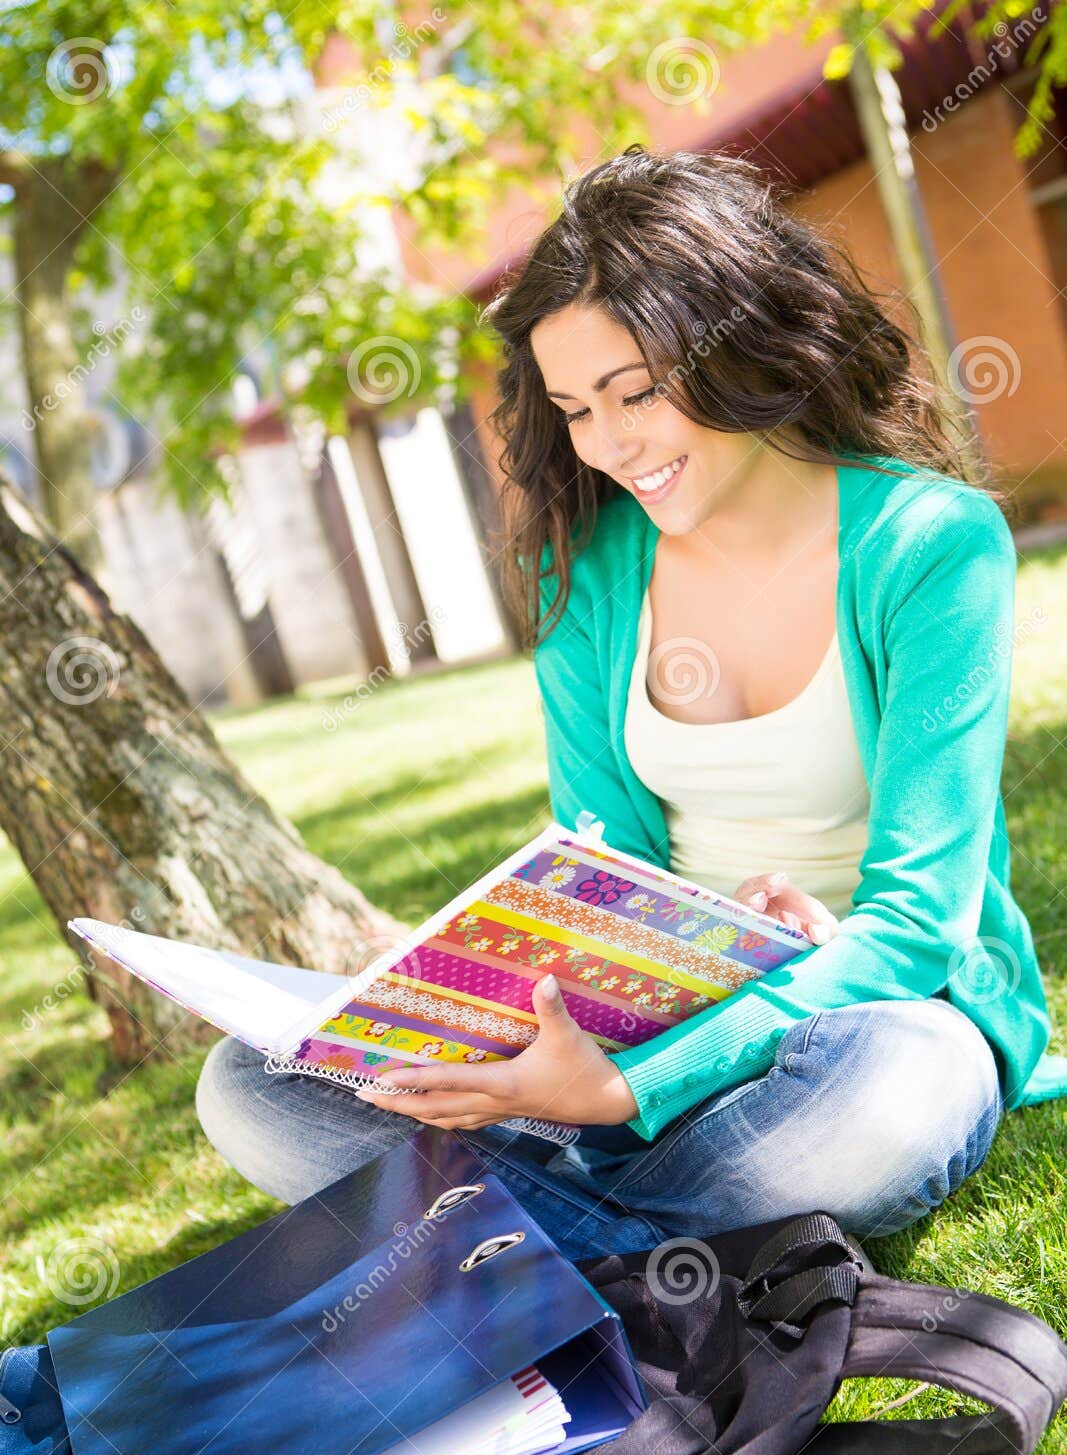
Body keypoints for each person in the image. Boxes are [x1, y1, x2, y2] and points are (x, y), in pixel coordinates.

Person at [196, 146, 1066, 1262]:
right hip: (652, 1010)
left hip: (863, 1014)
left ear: (740, 343)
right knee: (252, 1084)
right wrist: (546, 1036)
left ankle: (523, 1241)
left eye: (635, 394)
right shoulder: (590, 575)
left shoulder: (927, 545)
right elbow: (602, 882)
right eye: (573, 409)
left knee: (883, 1104)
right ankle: (650, 1243)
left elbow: (913, 927)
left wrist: (624, 1087)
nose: (607, 447)